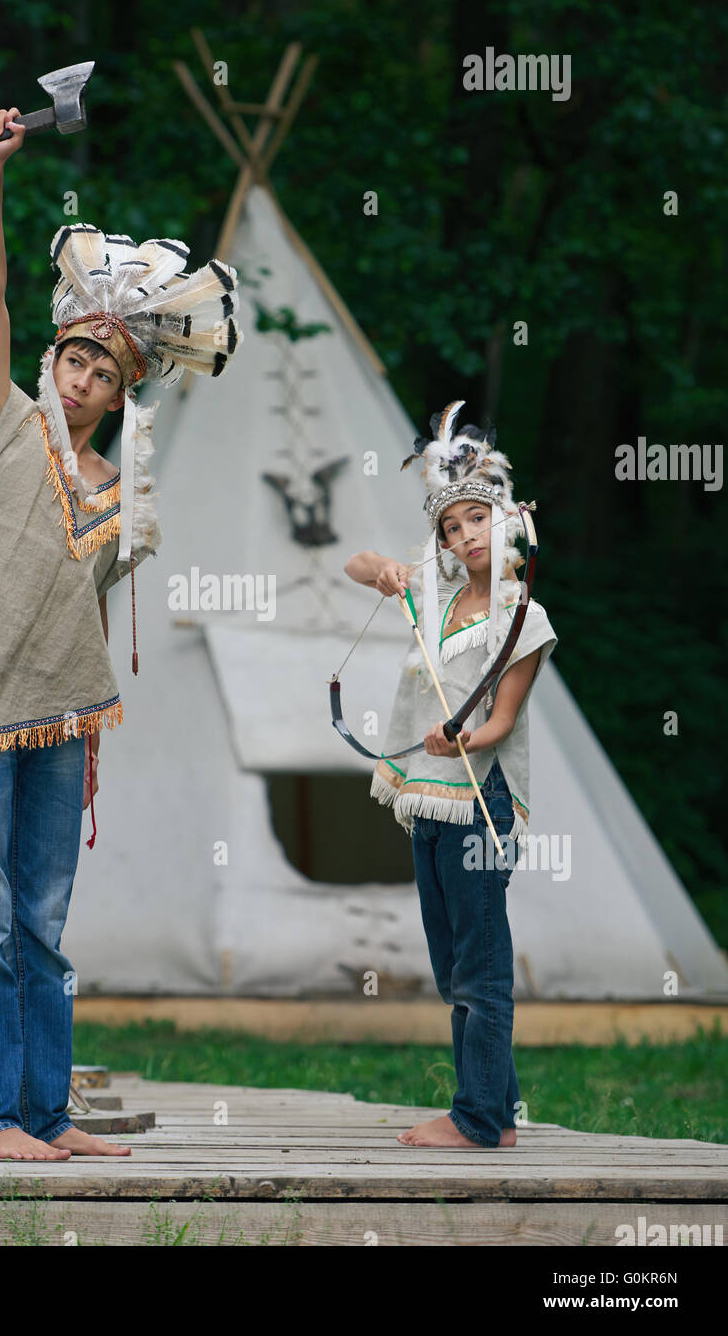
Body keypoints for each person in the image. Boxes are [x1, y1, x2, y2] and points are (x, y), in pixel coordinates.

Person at [0, 106, 242, 1160]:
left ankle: (47, 1115)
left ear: (126, 389)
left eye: (105, 373)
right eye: (77, 359)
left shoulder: (123, 497)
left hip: (60, 714)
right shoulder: (2, 423)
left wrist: (87, 737)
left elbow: (84, 609)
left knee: (44, 922)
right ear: (53, 356)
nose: (84, 380)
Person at [344, 402, 557, 1148]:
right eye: (451, 526)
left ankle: (475, 1120)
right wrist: (390, 570)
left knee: (481, 967)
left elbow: (501, 719)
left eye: (477, 520)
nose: (465, 536)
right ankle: (496, 1111)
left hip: (479, 800)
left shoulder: (519, 616)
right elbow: (356, 564)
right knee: (451, 963)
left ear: (507, 522)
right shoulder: (433, 596)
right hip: (430, 802)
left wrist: (462, 735)